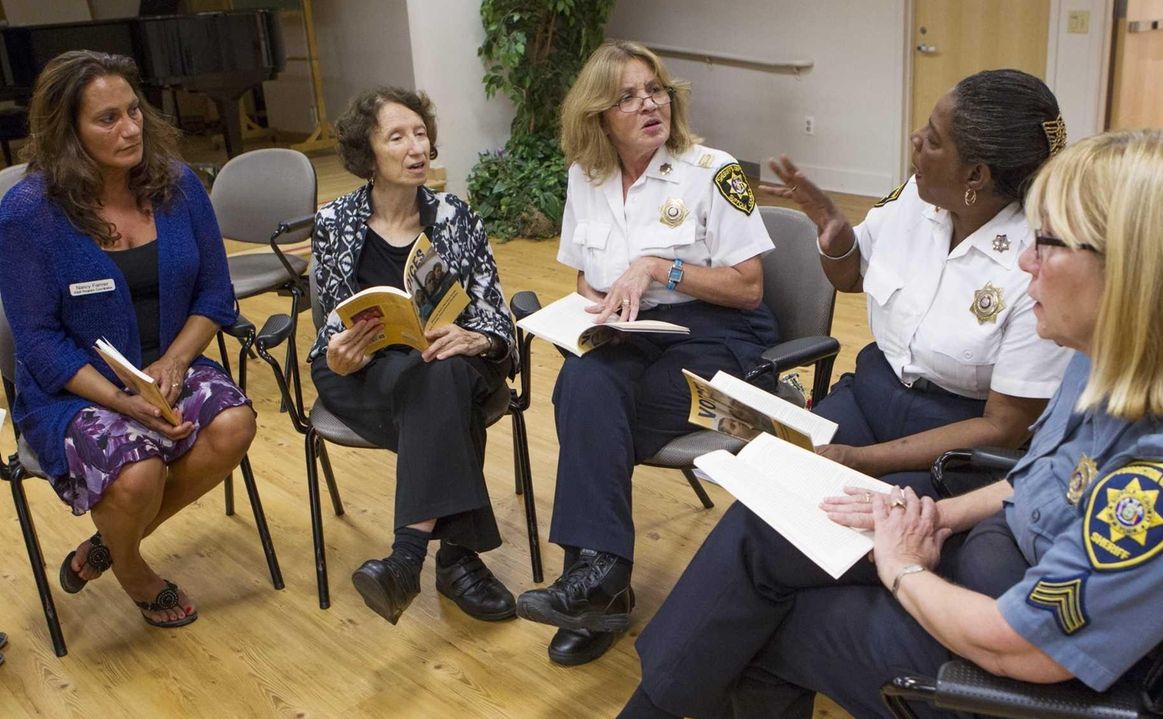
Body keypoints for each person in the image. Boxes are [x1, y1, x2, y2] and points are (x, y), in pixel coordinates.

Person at [618, 129, 1163, 718]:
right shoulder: (1122, 350)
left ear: (1137, 272)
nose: (1025, 263)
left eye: (1046, 243)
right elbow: (1053, 475)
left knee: (763, 624)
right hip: (1006, 557)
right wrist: (940, 516)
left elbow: (1023, 650)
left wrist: (905, 568)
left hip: (1044, 656)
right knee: (774, 533)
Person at [514, 40, 781, 665]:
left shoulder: (714, 171)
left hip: (720, 332)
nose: (648, 104)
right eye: (628, 96)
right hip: (634, 331)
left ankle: (596, 584)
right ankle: (599, 580)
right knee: (581, 385)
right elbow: (584, 276)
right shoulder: (587, 175)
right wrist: (600, 304)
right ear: (599, 115)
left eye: (655, 90)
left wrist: (662, 268)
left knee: (592, 415)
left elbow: (748, 288)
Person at [0, 51, 256, 628]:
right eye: (107, 119)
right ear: (68, 132)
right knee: (137, 470)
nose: (131, 128)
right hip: (73, 389)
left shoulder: (179, 186)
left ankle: (106, 545)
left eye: (134, 111)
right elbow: (37, 342)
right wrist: (121, 399)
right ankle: (134, 568)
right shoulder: (27, 214)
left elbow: (216, 296)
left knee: (235, 423)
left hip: (168, 363)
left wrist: (173, 359)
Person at [765, 69, 1074, 496]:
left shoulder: (1037, 264)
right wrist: (836, 235)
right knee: (771, 496)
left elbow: (1002, 428)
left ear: (975, 176)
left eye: (932, 139)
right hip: (871, 394)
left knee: (848, 531)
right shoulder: (917, 197)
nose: (914, 139)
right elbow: (853, 275)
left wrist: (859, 460)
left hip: (954, 439)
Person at [309, 86, 518, 625]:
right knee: (442, 391)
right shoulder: (335, 221)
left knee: (442, 375)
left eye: (420, 133)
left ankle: (405, 559)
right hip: (362, 372)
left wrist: (475, 339)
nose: (415, 147)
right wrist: (338, 353)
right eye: (396, 136)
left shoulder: (456, 216)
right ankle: (456, 561)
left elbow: (496, 317)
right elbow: (333, 319)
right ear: (368, 153)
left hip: (453, 359)